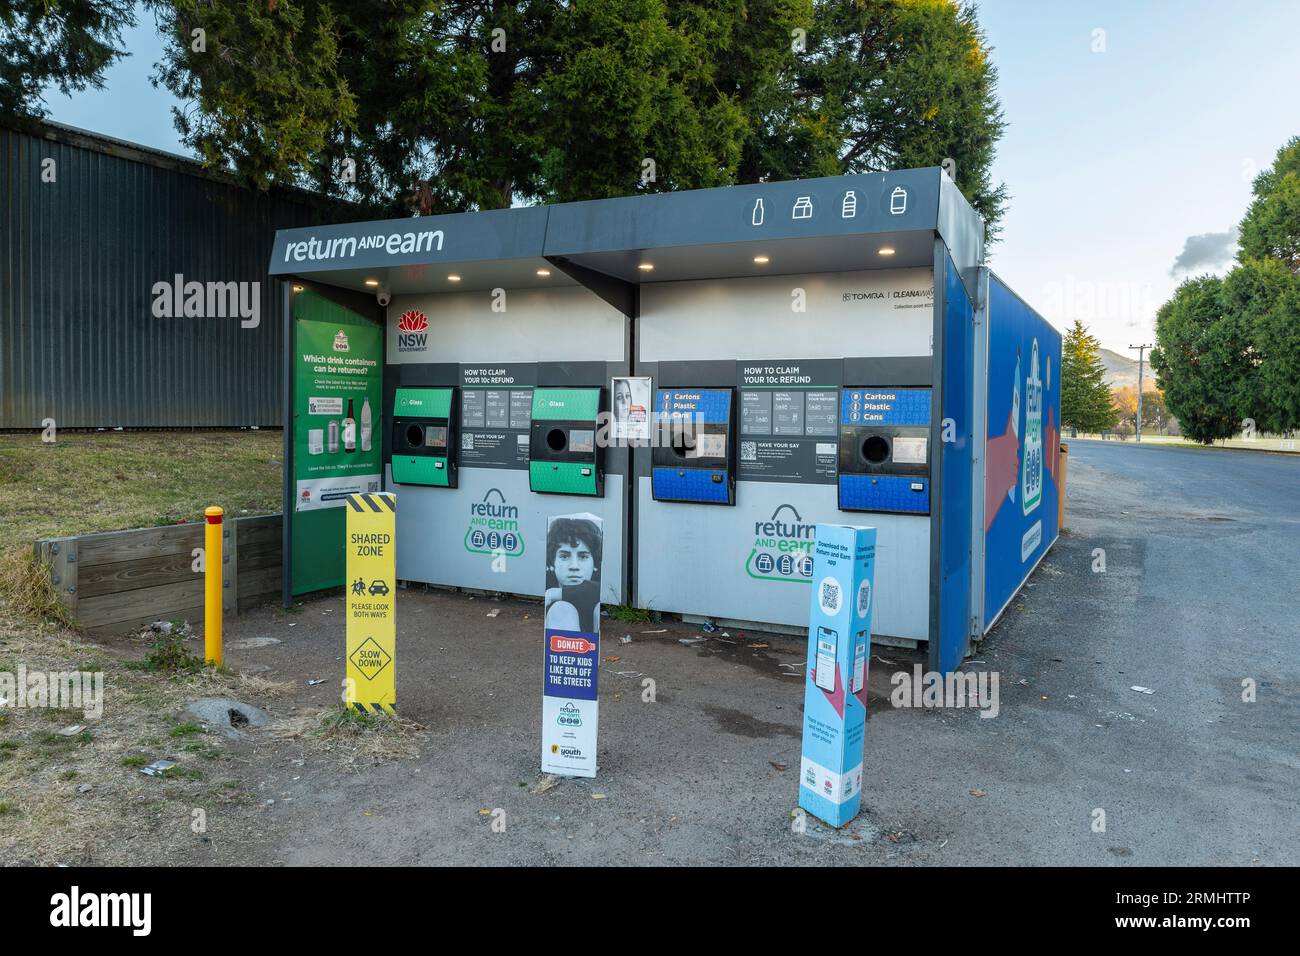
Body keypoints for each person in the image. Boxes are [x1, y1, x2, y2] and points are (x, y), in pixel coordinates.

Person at [543, 517, 602, 633]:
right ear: (552, 562)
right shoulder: (544, 582)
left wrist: (558, 593)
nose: (574, 566)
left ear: (595, 563)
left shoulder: (603, 584)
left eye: (583, 557)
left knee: (599, 607)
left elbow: (599, 590)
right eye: (564, 557)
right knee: (561, 609)